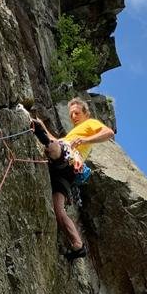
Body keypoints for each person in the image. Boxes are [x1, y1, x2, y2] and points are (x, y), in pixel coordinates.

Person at [30, 98, 115, 261]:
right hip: (64, 171)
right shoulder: (72, 134)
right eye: (71, 114)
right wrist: (43, 126)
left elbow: (109, 133)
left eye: (77, 113)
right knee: (58, 209)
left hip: (69, 163)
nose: (74, 116)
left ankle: (38, 132)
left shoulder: (90, 124)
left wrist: (85, 140)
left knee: (55, 148)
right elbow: (58, 142)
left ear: (86, 113)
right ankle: (78, 245)